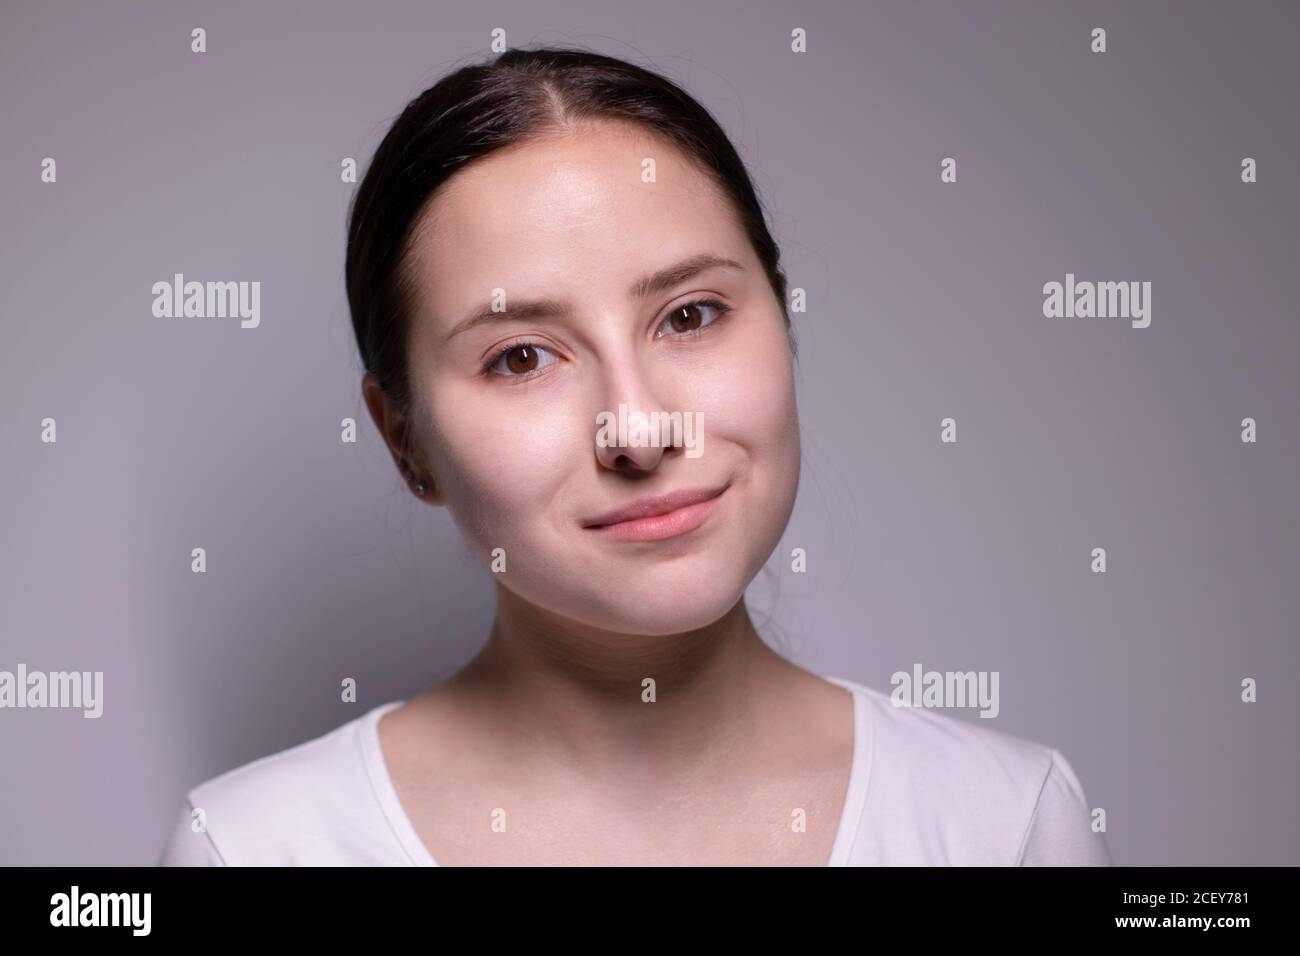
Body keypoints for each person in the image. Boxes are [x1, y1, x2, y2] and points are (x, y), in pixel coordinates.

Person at [159, 46, 1112, 867]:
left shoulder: (1006, 822)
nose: (641, 428)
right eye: (521, 357)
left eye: (690, 315)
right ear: (405, 436)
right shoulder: (254, 849)